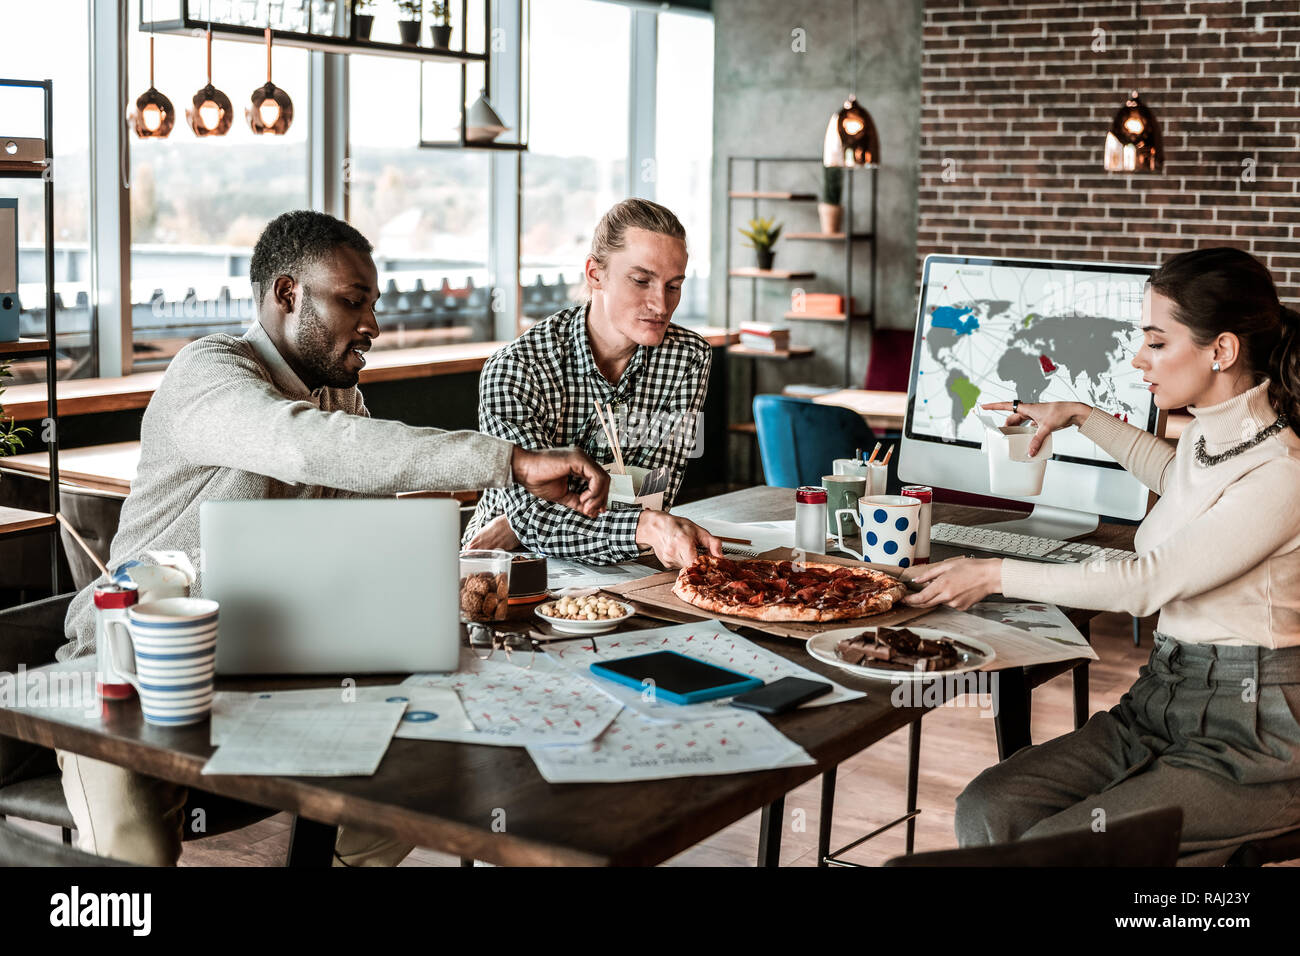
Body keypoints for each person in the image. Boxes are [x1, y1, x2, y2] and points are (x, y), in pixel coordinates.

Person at [57, 210, 609, 867]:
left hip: (267, 670)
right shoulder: (206, 372)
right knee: (136, 855)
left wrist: (449, 557)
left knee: (415, 795)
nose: (372, 324)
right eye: (352, 301)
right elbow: (301, 447)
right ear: (286, 294)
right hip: (124, 672)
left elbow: (368, 536)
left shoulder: (341, 400)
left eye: (373, 304)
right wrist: (509, 460)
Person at [901, 247, 1300, 864]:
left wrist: (992, 573)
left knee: (1057, 850)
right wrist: (1080, 415)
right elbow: (1175, 475)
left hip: (1253, 731)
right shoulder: (1210, 436)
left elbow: (1147, 584)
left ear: (1220, 351)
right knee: (989, 807)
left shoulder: (1282, 472)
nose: (1138, 360)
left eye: (1156, 343)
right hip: (1162, 697)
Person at [463, 198, 722, 569]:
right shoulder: (515, 369)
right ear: (595, 274)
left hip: (626, 561)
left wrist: (525, 522)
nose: (661, 305)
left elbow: (654, 493)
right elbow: (536, 522)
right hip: (509, 565)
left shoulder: (688, 358)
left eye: (673, 286)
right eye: (641, 280)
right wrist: (528, 525)